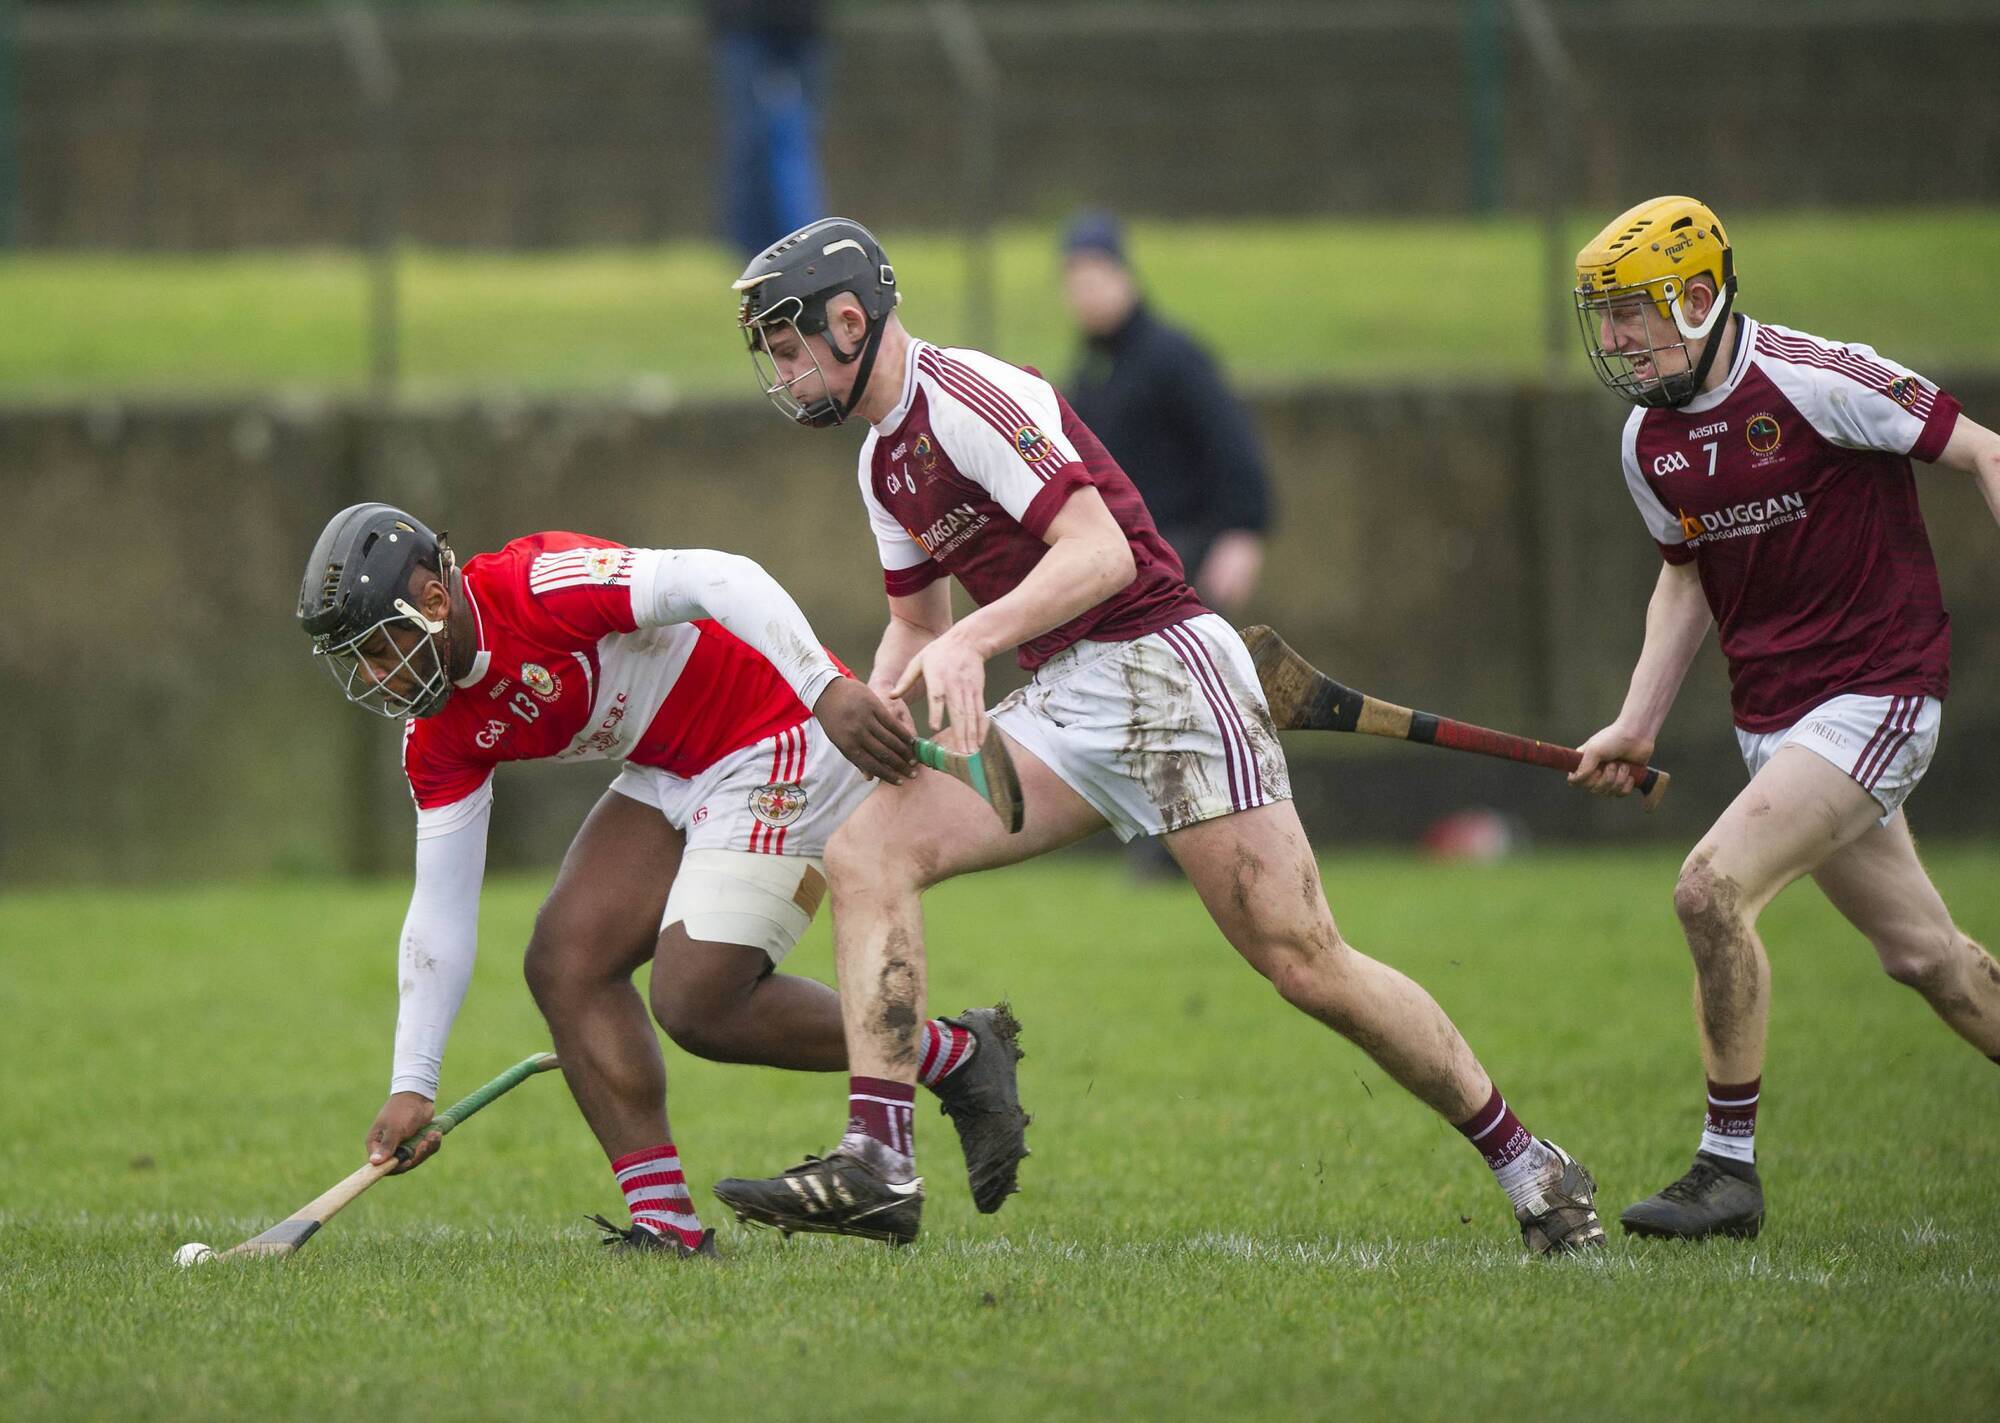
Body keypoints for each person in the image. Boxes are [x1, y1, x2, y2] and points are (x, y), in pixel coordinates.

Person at [711, 218, 1606, 1253]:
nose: (783, 374)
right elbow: (918, 623)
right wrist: (862, 721)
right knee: (868, 843)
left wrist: (979, 640)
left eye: (788, 349)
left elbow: (1098, 553)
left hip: (1164, 669)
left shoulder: (966, 397)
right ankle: (877, 1160)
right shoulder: (881, 465)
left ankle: (1530, 1163)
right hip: (1066, 695)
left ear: (849, 321)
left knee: (1303, 958)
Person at [295, 503, 1031, 1257]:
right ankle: (668, 1227)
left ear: (434, 604)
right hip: (675, 763)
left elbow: (723, 576)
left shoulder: (539, 586)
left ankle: (950, 1053)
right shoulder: (434, 737)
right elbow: (440, 908)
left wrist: (821, 686)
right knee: (566, 963)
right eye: (359, 662)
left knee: (697, 999)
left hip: (781, 729)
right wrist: (413, 1082)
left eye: (379, 650)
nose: (375, 678)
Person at [1567, 196, 2000, 1240]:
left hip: (1878, 692)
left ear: (1700, 293)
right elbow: (1684, 583)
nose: (1616, 338)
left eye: (1632, 310)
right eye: (1603, 316)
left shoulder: (1814, 377)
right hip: (1774, 722)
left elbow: (1985, 450)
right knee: (1927, 960)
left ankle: (1725, 1172)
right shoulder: (1645, 442)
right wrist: (1635, 720)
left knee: (1709, 889)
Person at [1060, 211, 1272, 619]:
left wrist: (1243, 532)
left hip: (1184, 555)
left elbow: (1230, 441)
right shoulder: (1090, 370)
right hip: (1124, 564)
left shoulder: (1173, 355)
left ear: (1124, 276)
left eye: (1096, 278)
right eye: (1075, 284)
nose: (1086, 294)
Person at [705, 0, 828, 257]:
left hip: (787, 23)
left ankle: (796, 245)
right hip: (752, 22)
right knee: (768, 142)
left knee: (778, 141)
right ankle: (795, 245)